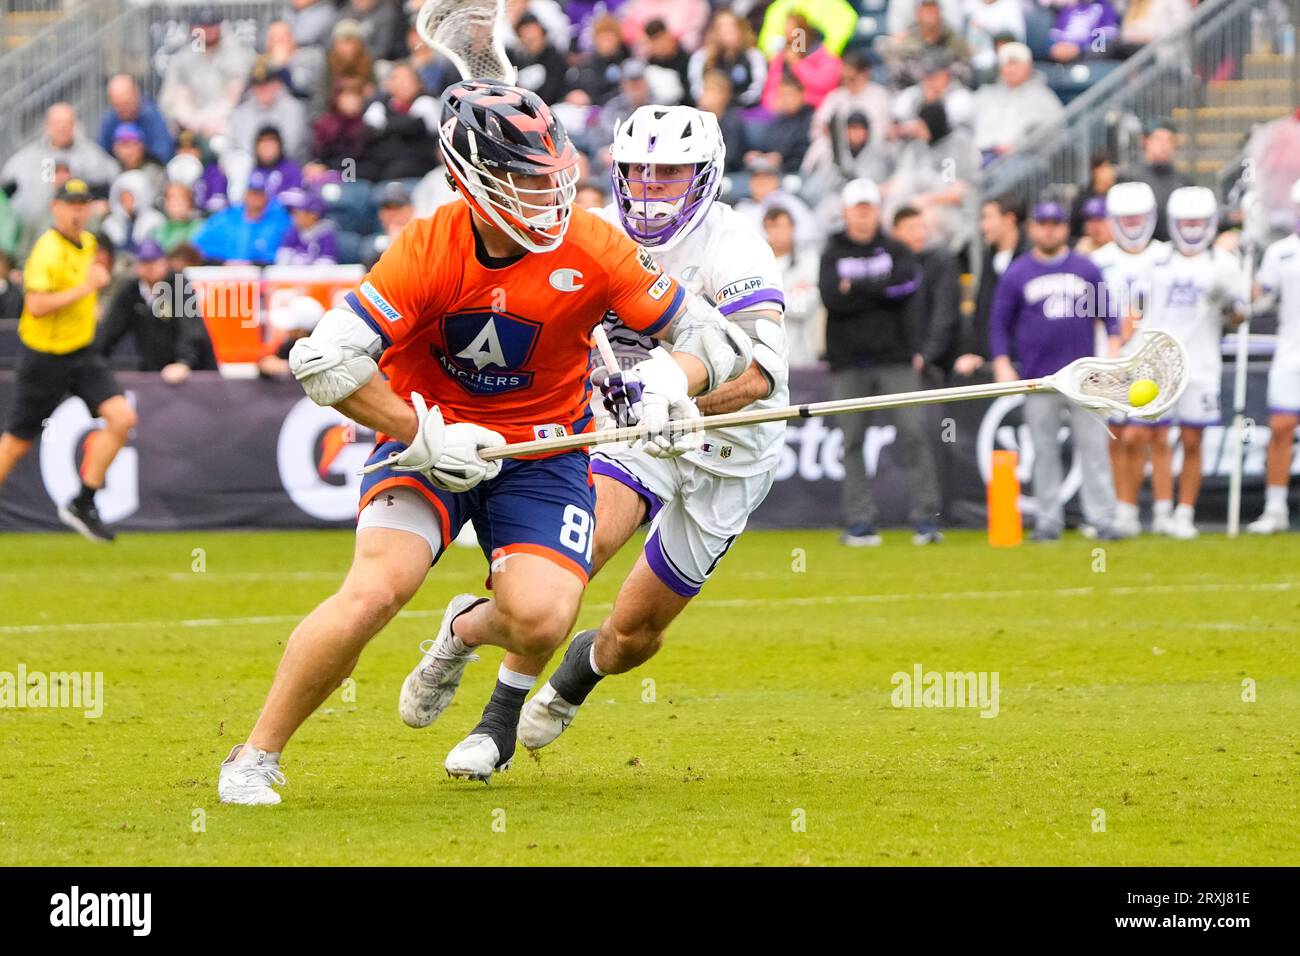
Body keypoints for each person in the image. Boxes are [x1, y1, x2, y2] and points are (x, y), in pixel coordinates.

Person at [217, 81, 758, 802]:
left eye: (554, 174)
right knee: (377, 590)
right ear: (475, 180)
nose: (550, 195)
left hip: (542, 452)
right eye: (529, 181)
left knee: (541, 619)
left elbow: (717, 342)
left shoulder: (592, 244)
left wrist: (669, 379)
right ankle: (255, 755)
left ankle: (459, 634)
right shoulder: (427, 247)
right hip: (428, 443)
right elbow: (323, 364)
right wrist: (420, 432)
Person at [508, 103, 788, 761]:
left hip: (730, 450)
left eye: (668, 174)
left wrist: (684, 404)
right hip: (635, 437)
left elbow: (762, 378)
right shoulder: (598, 233)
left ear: (705, 175)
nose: (649, 187)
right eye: (638, 171)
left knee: (632, 637)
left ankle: (578, 676)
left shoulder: (735, 244)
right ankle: (494, 712)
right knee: (578, 557)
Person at [0, 181, 135, 542]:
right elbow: (37, 306)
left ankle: (83, 500)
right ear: (56, 208)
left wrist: (92, 301)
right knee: (16, 443)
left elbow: (84, 292)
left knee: (122, 418)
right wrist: (88, 289)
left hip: (81, 352)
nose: (78, 211)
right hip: (44, 357)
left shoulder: (89, 244)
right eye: (70, 204)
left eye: (83, 204)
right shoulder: (46, 250)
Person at [989, 201, 1120, 541]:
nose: (1049, 229)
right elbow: (999, 324)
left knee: (1093, 448)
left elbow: (1110, 319)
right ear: (1032, 228)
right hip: (1040, 378)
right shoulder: (1018, 272)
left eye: (1055, 223)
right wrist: (1002, 361)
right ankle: (1049, 521)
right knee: (1043, 450)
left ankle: (1103, 519)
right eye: (1043, 223)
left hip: (1083, 378)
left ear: (1065, 228)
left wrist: (1112, 358)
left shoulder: (1086, 269)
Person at [818, 178, 939, 546]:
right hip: (848, 360)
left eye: (869, 208)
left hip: (895, 357)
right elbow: (831, 299)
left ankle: (926, 517)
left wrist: (856, 289)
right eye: (858, 208)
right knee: (851, 441)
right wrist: (879, 289)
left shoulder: (895, 247)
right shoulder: (832, 252)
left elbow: (907, 286)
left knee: (914, 433)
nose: (864, 215)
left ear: (877, 211)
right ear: (846, 212)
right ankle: (860, 521)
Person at [1129, 187, 1248, 539]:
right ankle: (1163, 508)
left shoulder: (1224, 265)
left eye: (1198, 221)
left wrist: (1227, 304)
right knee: (1158, 435)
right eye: (1186, 222)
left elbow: (1239, 316)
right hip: (1161, 362)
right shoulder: (1156, 261)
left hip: (1203, 361)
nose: (1193, 228)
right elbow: (1136, 309)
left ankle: (1185, 512)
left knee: (1193, 439)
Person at [1094, 182, 1165, 536]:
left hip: (1151, 357)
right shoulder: (1100, 260)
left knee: (1142, 436)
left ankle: (1139, 507)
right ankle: (1120, 509)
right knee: (1115, 435)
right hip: (1110, 356)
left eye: (1138, 217)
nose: (1133, 223)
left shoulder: (1164, 256)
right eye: (1126, 217)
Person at [1248, 178, 1300, 534]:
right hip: (1291, 350)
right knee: (1281, 428)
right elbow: (1258, 299)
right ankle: (1276, 507)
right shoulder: (1281, 252)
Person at [95, 239, 216, 382]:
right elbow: (110, 328)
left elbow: (190, 328)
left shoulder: (179, 284)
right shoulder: (131, 290)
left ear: (164, 262)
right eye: (145, 262)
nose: (150, 267)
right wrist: (94, 358)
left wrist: (184, 362)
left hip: (195, 372)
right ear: (137, 266)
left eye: (154, 261)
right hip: (154, 369)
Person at [0, 103, 119, 242]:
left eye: (67, 122)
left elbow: (114, 183)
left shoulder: (92, 156)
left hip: (81, 235)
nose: (62, 127)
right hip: (35, 231)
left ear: (75, 125)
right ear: (46, 125)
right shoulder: (27, 159)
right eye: (57, 122)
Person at [158, 6, 254, 140]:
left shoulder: (236, 56)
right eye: (203, 26)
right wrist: (194, 123)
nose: (208, 31)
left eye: (212, 25)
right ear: (193, 28)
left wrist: (212, 124)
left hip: (227, 126)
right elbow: (172, 100)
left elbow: (234, 99)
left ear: (221, 26)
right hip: (190, 127)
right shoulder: (183, 59)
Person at [893, 205, 963, 382]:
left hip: (935, 365)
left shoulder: (940, 261)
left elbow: (944, 313)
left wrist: (926, 355)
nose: (919, 234)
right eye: (911, 229)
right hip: (896, 364)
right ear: (895, 232)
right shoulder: (887, 267)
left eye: (921, 227)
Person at [972, 42, 1064, 168]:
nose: (1011, 69)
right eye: (1006, 64)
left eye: (1016, 64)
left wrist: (1021, 146)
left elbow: (1055, 134)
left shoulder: (1043, 97)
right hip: (980, 155)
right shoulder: (986, 94)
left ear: (1029, 66)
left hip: (1022, 159)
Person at [191, 169, 291, 264]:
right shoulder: (226, 218)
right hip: (226, 276)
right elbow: (198, 245)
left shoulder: (280, 221)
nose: (255, 198)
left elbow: (286, 253)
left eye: (259, 194)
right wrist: (221, 262)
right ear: (245, 194)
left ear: (267, 196)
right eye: (252, 193)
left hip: (264, 277)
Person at [765, 205, 824, 365]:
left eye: (782, 226)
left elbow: (803, 307)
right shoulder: (758, 263)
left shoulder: (809, 260)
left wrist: (766, 298)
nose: (777, 233)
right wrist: (789, 295)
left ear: (793, 227)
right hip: (766, 357)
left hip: (801, 357)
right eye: (772, 227)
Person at [228, 59, 310, 165]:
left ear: (278, 83)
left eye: (268, 83)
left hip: (287, 167)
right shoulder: (241, 112)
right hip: (251, 168)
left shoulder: (293, 108)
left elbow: (291, 147)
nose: (263, 89)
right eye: (258, 85)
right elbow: (239, 146)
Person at [1119, 121, 1187, 241]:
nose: (1164, 145)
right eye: (1158, 139)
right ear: (1145, 141)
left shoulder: (1183, 180)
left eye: (1169, 140)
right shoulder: (1130, 179)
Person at [686, 8, 767, 108]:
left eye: (732, 26)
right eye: (722, 27)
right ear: (714, 31)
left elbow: (758, 88)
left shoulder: (754, 55)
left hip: (743, 109)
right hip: (711, 109)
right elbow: (697, 89)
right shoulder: (701, 57)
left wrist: (731, 102)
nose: (727, 31)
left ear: (741, 28)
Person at [98, 74, 175, 163]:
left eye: (126, 103)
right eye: (118, 105)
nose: (123, 109)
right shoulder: (110, 120)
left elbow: (164, 154)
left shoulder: (152, 117)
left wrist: (140, 153)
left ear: (136, 94)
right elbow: (100, 154)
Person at [275, 188, 338, 264]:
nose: (295, 216)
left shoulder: (326, 235)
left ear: (313, 215)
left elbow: (326, 264)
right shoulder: (294, 232)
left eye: (299, 213)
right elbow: (282, 259)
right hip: (293, 274)